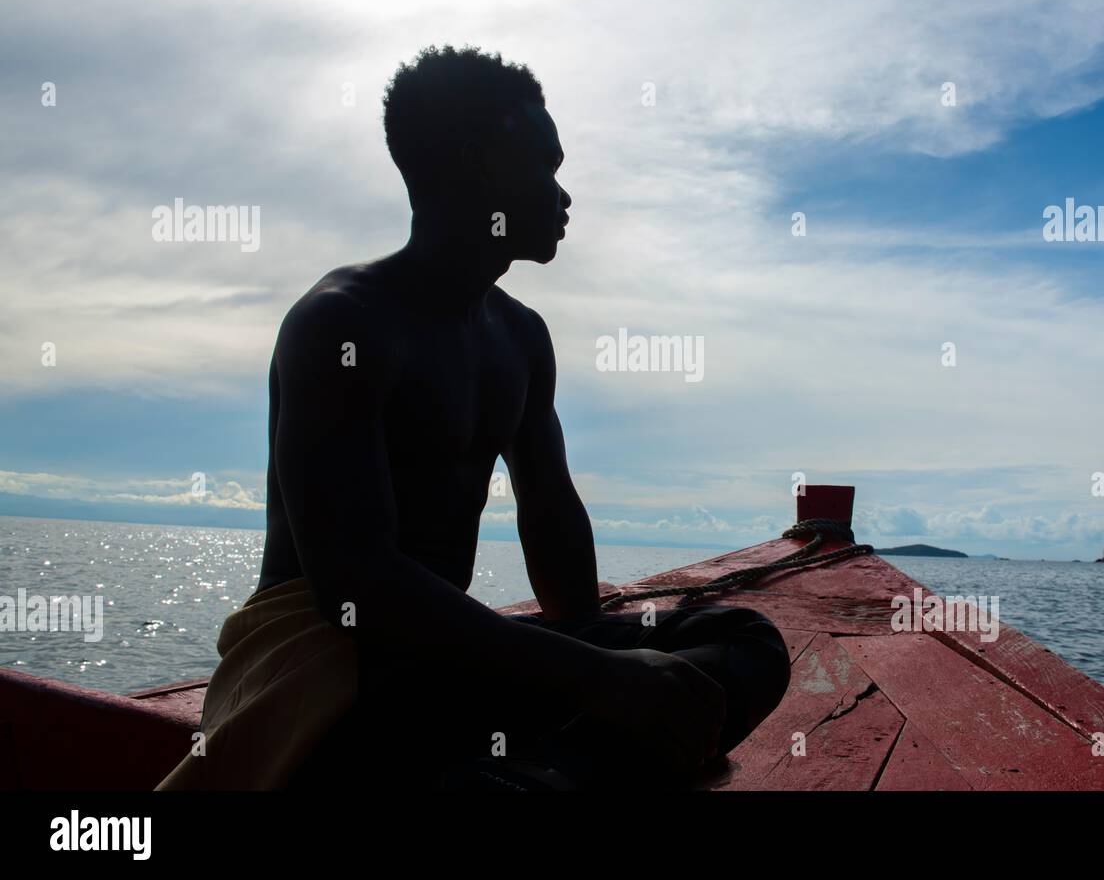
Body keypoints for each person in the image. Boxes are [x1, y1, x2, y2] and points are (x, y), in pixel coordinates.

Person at [206, 45, 791, 790]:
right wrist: (599, 683)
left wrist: (603, 655)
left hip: (444, 650)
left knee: (742, 640)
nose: (563, 195)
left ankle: (549, 771)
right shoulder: (344, 324)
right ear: (478, 164)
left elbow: (549, 511)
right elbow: (356, 583)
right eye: (546, 168)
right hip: (333, 653)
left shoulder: (519, 336)